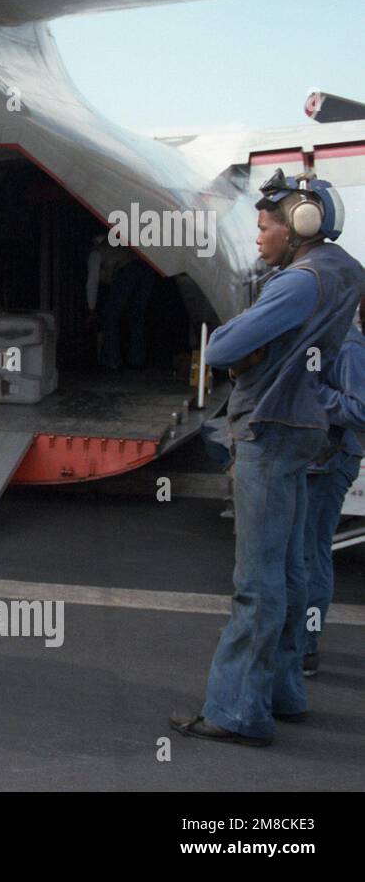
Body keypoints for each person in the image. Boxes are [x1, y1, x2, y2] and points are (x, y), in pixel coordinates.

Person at [171, 170, 363, 746]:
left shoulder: (299, 281)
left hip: (270, 429)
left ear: (300, 225)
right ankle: (284, 692)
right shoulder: (345, 272)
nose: (258, 237)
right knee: (292, 570)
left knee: (256, 582)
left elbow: (223, 347)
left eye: (265, 226)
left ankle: (235, 712)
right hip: (304, 431)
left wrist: (247, 346)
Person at [303, 319, 365, 676]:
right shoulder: (327, 339)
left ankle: (306, 648)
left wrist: (311, 392)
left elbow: (359, 410)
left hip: (328, 463)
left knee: (311, 554)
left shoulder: (348, 348)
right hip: (316, 461)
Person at [87, 234, 156, 369]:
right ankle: (137, 360)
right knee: (137, 315)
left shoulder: (95, 253)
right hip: (147, 267)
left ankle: (111, 360)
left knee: (110, 315)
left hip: (127, 269)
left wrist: (91, 309)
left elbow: (92, 282)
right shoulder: (118, 246)